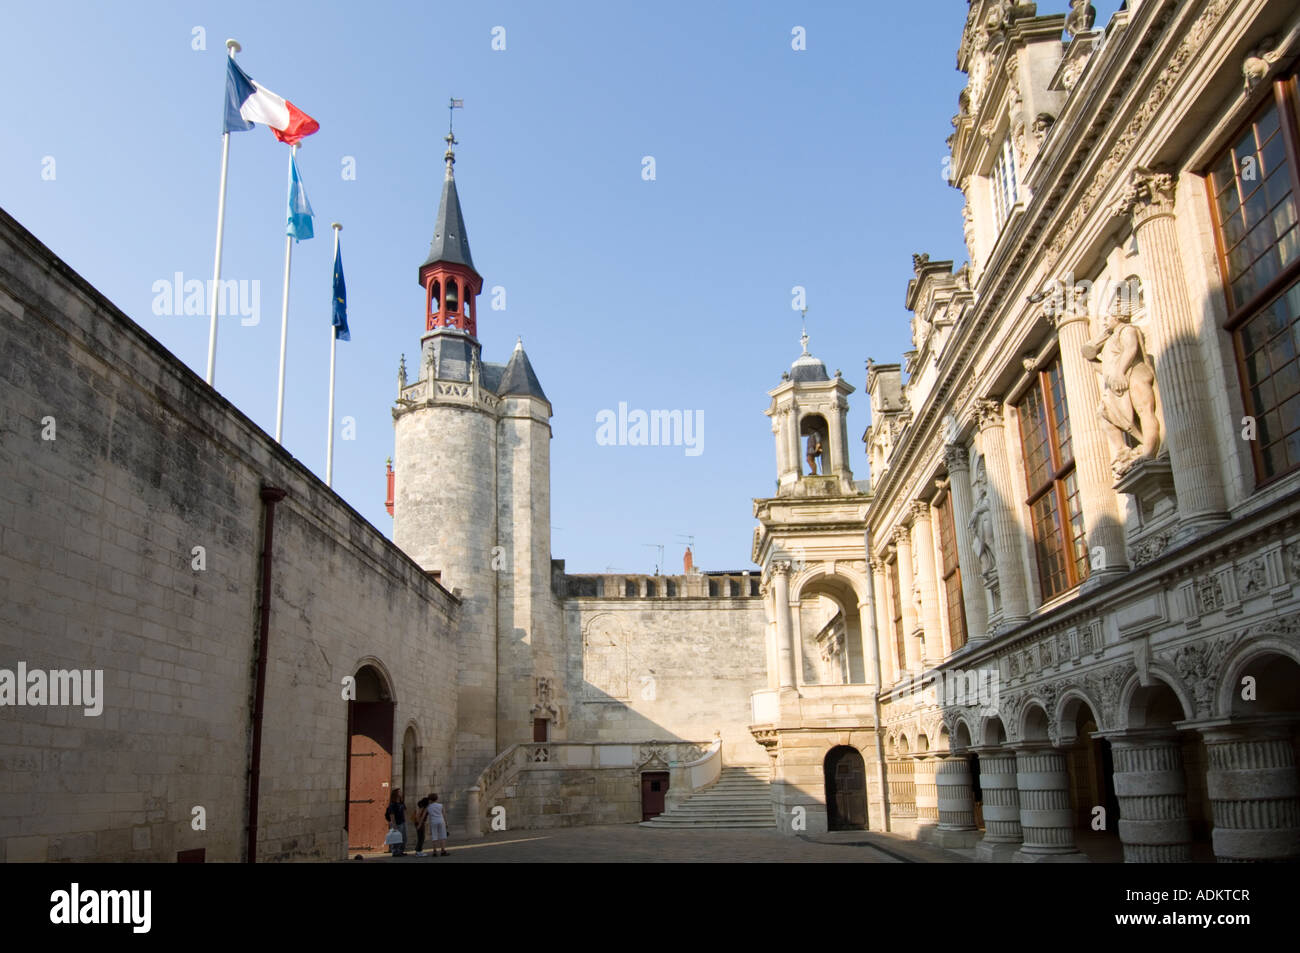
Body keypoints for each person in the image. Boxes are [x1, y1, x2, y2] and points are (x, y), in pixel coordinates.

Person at [384, 788, 406, 857]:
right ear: (396, 794)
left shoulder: (401, 803)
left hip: (402, 822)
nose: (401, 793)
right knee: (396, 838)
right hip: (397, 823)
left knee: (404, 838)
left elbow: (404, 811)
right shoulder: (392, 804)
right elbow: (392, 815)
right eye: (399, 792)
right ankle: (395, 852)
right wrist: (394, 824)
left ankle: (400, 851)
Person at [426, 792, 448, 857]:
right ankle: (443, 850)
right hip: (441, 821)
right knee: (443, 836)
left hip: (433, 821)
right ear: (436, 799)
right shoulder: (440, 805)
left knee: (434, 836)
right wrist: (446, 823)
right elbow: (444, 814)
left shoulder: (428, 807)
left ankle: (435, 851)